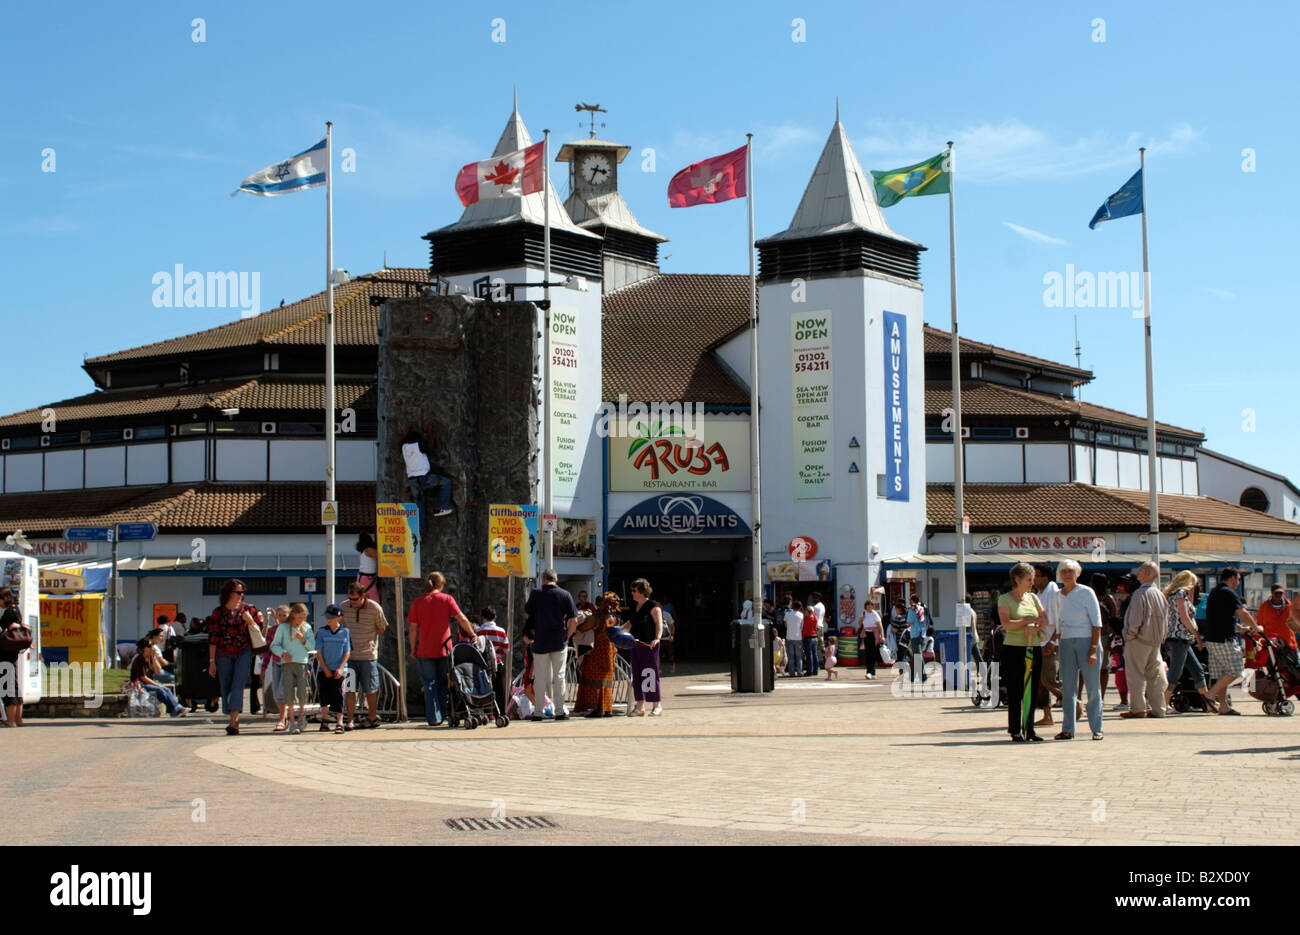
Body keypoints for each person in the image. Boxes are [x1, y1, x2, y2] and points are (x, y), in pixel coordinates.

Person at [407, 571, 476, 727]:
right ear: (441, 585)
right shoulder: (447, 599)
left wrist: (413, 648)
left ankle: (434, 717)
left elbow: (412, 629)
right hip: (444, 648)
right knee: (443, 682)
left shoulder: (418, 602)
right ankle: (443, 714)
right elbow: (462, 619)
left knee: (429, 684)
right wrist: (472, 634)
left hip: (425, 649)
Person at [1052, 560, 1104, 740]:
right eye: (1064, 571)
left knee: (1092, 687)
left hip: (1087, 639)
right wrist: (1056, 642)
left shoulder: (1086, 592)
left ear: (1077, 573)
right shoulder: (1058, 595)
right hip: (1066, 641)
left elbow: (1097, 622)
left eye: (1071, 571)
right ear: (1059, 574)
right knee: (1068, 687)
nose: (1067, 574)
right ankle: (1068, 728)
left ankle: (1097, 728)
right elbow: (1057, 622)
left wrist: (1094, 648)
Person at [997, 562, 1046, 742]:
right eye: (1028, 579)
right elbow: (1007, 624)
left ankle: (1029, 728)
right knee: (1016, 689)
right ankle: (1015, 729)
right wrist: (1027, 621)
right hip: (1014, 648)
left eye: (1033, 579)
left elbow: (1044, 619)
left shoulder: (1033, 598)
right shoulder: (1005, 599)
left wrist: (1036, 625)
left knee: (1032, 690)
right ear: (1017, 580)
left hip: (1034, 646)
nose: (1032, 583)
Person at [206, 579, 262, 736]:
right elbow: (213, 638)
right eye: (238, 592)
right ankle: (232, 716)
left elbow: (260, 630)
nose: (241, 595)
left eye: (243, 592)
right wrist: (211, 661)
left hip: (244, 652)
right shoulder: (218, 612)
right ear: (229, 593)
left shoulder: (249, 610)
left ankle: (234, 721)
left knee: (238, 685)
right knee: (227, 686)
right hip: (223, 654)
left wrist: (250, 621)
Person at [523, 569, 580, 721]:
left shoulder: (535, 593)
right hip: (558, 641)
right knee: (559, 676)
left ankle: (538, 712)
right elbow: (574, 620)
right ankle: (560, 711)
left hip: (540, 640)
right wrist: (567, 636)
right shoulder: (564, 594)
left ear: (543, 579)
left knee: (540, 677)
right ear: (556, 579)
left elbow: (527, 614)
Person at [1204, 568, 1257, 715]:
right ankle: (1210, 695)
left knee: (1222, 673)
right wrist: (1255, 627)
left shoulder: (1215, 591)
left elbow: (1221, 617)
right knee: (1236, 670)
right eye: (1239, 579)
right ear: (1232, 578)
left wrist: (1240, 628)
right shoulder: (1228, 592)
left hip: (1212, 638)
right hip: (1224, 639)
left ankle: (1223, 706)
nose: (1238, 583)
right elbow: (1243, 613)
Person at [1162, 572, 1218, 714]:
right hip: (1179, 638)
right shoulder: (1180, 594)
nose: (1196, 586)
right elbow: (1185, 617)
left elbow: (1190, 611)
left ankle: (1208, 702)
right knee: (1175, 672)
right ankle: (1163, 703)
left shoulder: (1177, 595)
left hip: (1182, 639)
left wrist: (1192, 592)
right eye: (1194, 583)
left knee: (1197, 670)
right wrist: (1197, 636)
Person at [1121, 561, 1169, 719]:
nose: (1138, 573)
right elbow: (1166, 619)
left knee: (1136, 675)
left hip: (1139, 641)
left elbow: (1135, 619)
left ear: (1148, 573)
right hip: (1155, 642)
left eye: (1141, 571)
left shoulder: (1140, 594)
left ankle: (1138, 708)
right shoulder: (1160, 594)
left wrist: (1129, 636)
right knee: (1155, 676)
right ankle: (1159, 708)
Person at [342, 581, 388, 730]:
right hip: (350, 657)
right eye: (350, 598)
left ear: (363, 596)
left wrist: (370, 641)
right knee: (350, 689)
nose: (352, 602)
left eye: (355, 599)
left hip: (368, 656)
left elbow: (382, 628)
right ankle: (349, 719)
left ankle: (372, 716)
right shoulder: (343, 607)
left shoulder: (375, 608)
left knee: (371, 689)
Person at [400, 426, 452, 542]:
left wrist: (406, 431)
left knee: (420, 507)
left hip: (413, 482)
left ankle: (420, 534)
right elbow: (431, 446)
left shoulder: (404, 448)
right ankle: (441, 507)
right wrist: (429, 431)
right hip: (424, 478)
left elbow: (400, 442)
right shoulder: (418, 446)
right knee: (446, 482)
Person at [575, 593, 620, 718]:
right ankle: (606, 708)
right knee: (606, 681)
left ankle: (597, 709)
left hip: (596, 653)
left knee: (594, 679)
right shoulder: (614, 618)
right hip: (609, 652)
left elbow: (582, 628)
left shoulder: (596, 618)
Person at [271, 603, 314, 733]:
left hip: (301, 663)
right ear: (294, 615)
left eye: (304, 617)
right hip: (287, 664)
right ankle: (291, 721)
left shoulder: (306, 627)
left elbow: (312, 646)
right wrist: (283, 653)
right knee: (288, 692)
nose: (302, 619)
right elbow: (274, 645)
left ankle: (301, 717)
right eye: (300, 616)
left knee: (302, 692)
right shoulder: (283, 627)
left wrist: (303, 640)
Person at [627, 578, 665, 716]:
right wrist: (617, 632)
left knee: (650, 674)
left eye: (634, 590)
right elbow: (630, 623)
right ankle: (640, 706)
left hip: (648, 644)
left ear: (642, 591)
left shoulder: (653, 606)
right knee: (636, 675)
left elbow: (658, 623)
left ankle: (657, 705)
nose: (632, 593)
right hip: (635, 644)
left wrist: (657, 638)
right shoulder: (635, 606)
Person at [1032, 563, 1063, 728]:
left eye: (1036, 575)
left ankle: (1070, 698)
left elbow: (1059, 619)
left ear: (1045, 577)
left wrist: (1052, 641)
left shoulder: (1053, 593)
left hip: (1050, 643)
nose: (1034, 579)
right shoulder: (1040, 593)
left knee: (1048, 679)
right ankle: (1047, 715)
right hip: (1039, 641)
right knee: (1040, 683)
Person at [315, 605, 350, 733]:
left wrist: (341, 668)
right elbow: (319, 651)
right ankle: (325, 719)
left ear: (339, 617)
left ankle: (339, 722)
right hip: (324, 669)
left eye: (331, 617)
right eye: (327, 617)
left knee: (339, 695)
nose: (328, 619)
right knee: (323, 694)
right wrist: (324, 668)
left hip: (339, 670)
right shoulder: (321, 632)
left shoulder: (345, 632)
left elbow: (347, 652)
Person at [125, 643, 186, 717]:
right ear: (144, 649)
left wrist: (154, 658)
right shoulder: (139, 660)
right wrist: (157, 685)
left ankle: (175, 709)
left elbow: (158, 671)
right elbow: (143, 677)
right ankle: (176, 709)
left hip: (148, 683)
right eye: (150, 647)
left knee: (167, 690)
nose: (153, 648)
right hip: (140, 685)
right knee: (160, 690)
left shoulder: (150, 658)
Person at [476, 606, 511, 715]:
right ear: (495, 617)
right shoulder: (501, 631)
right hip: (498, 663)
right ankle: (500, 713)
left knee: (484, 689)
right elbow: (506, 648)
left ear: (483, 618)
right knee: (499, 690)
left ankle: (487, 712)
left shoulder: (478, 631)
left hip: (483, 664)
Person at [1091, 574, 1118, 705]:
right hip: (1089, 633)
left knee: (1103, 666)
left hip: (1104, 635)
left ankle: (1101, 696)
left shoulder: (1108, 599)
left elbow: (1114, 618)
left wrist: (1112, 637)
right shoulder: (1089, 596)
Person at [1257, 584, 1299, 651]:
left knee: (1295, 661)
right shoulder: (1264, 607)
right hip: (1271, 644)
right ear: (1271, 593)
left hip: (1289, 643)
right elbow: (1260, 624)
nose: (1278, 595)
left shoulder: (1289, 605)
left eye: (1280, 593)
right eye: (1276, 593)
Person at [860, 599, 884, 680]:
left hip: (874, 635)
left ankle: (871, 672)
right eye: (868, 605)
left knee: (873, 654)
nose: (869, 606)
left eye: (871, 605)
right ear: (865, 606)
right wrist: (862, 618)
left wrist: (882, 636)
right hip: (866, 634)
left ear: (873, 606)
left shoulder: (875, 614)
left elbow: (880, 626)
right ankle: (870, 672)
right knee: (868, 653)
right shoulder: (864, 613)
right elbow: (860, 624)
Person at [355, 532, 382, 604]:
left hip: (362, 577)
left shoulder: (364, 551)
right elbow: (381, 556)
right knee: (375, 601)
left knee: (365, 600)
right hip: (367, 578)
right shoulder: (369, 550)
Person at [573, 590, 598, 660]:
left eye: (586, 596)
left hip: (588, 632)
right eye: (583, 596)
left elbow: (595, 616)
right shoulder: (576, 607)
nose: (585, 598)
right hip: (579, 633)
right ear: (579, 597)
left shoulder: (590, 605)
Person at [783, 600, 805, 677]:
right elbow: (802, 627)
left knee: (791, 657)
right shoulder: (801, 615)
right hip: (798, 637)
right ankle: (799, 672)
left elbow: (785, 625)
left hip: (789, 637)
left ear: (793, 606)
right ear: (799, 607)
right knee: (799, 657)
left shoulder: (787, 614)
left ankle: (791, 673)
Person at [809, 591, 827, 674]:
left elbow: (810, 615)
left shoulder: (815, 607)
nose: (813, 599)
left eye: (814, 597)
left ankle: (822, 662)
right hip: (821, 626)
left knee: (816, 646)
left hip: (817, 627)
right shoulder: (822, 606)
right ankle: (825, 662)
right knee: (821, 645)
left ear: (818, 598)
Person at [802, 603, 820, 678]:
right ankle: (816, 671)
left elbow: (805, 630)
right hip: (815, 637)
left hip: (808, 638)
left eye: (805, 611)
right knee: (815, 654)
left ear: (808, 611)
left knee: (809, 655)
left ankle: (809, 671)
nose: (804, 612)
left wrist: (802, 638)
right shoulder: (815, 617)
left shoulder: (807, 619)